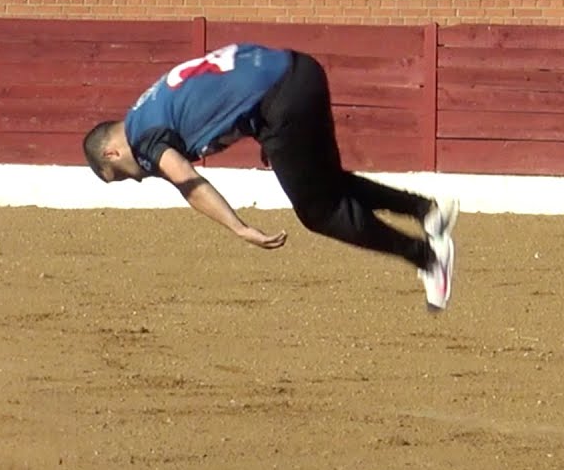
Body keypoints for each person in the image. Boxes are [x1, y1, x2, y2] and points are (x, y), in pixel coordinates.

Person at [81, 42, 458, 311]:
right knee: (322, 181)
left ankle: (426, 256)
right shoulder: (147, 107)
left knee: (319, 212)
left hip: (281, 100)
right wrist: (261, 126)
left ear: (112, 152)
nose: (140, 179)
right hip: (298, 71)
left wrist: (238, 227)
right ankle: (427, 211)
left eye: (124, 176)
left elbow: (189, 185)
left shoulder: (144, 139)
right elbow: (225, 78)